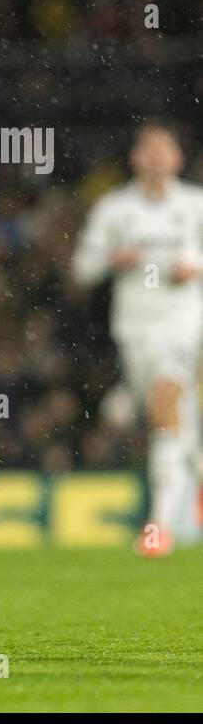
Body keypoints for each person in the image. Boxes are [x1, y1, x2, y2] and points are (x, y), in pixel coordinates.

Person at [73, 122, 203, 555]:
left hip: (184, 326)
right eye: (148, 149)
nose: (156, 157)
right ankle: (192, 488)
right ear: (134, 159)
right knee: (170, 423)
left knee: (167, 409)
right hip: (134, 331)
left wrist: (195, 269)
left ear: (178, 159)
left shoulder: (196, 205)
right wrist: (113, 259)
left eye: (164, 149)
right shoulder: (114, 210)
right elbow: (81, 269)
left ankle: (159, 526)